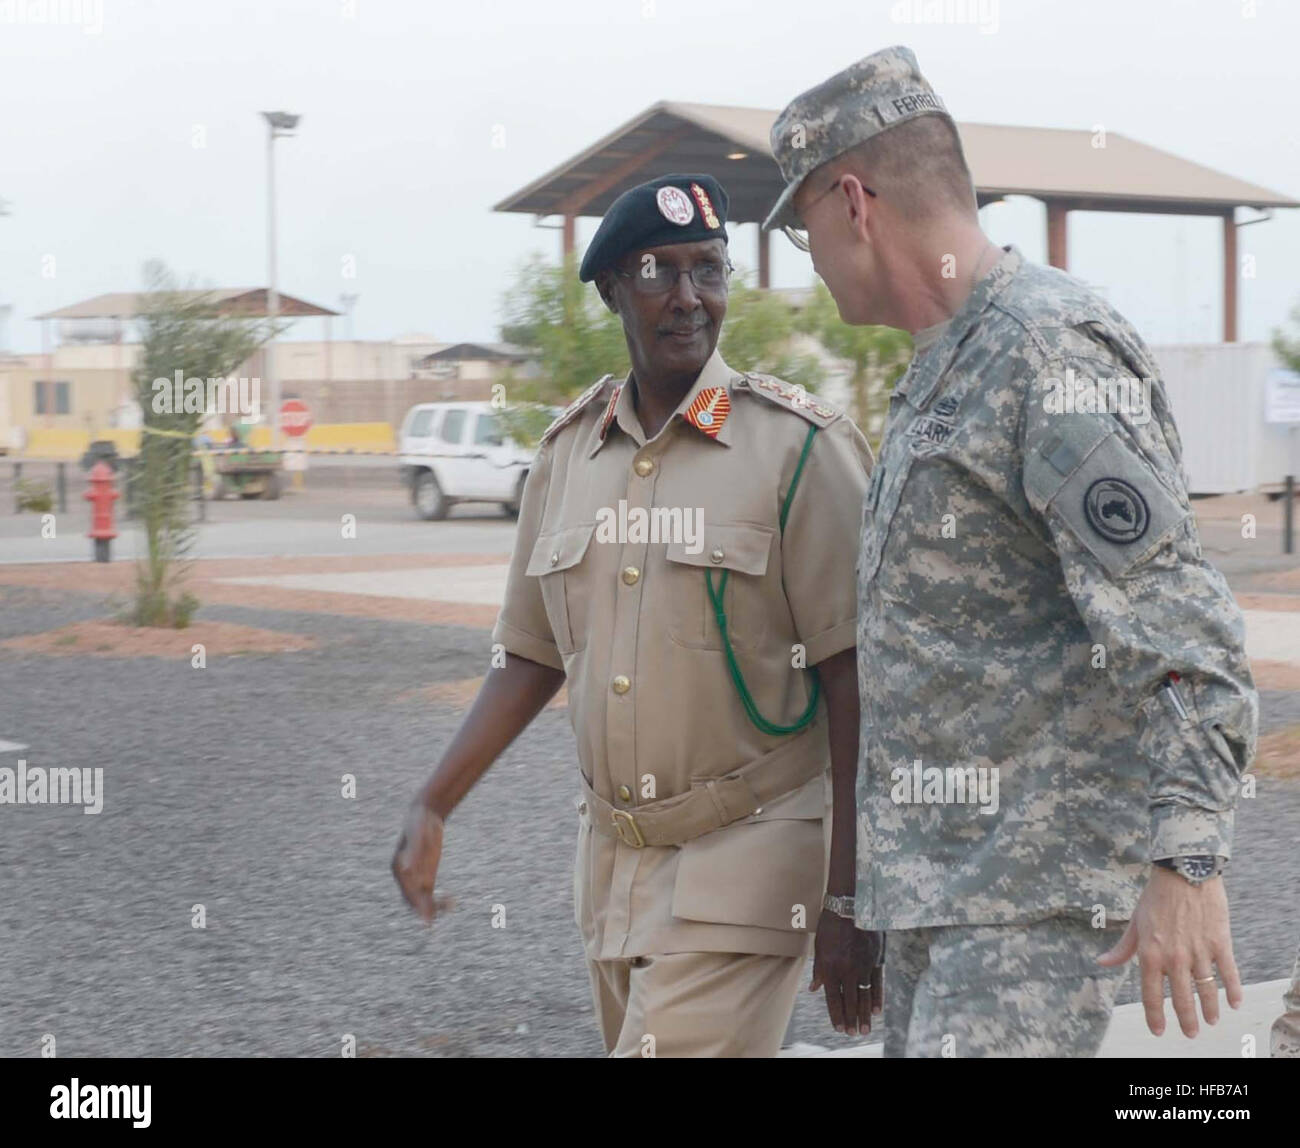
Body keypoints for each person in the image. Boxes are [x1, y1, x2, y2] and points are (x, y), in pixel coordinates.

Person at [764, 46, 1258, 1057]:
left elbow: (1181, 633)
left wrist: (1187, 863)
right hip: (940, 896)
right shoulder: (944, 365)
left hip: (1024, 904)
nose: (802, 250)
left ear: (852, 201)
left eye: (801, 217)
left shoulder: (1046, 352)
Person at [392, 173, 880, 1056]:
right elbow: (530, 655)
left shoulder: (797, 450)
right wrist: (434, 802)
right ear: (615, 287)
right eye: (660, 273)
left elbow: (857, 682)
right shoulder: (568, 456)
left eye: (710, 270)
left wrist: (850, 899)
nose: (690, 298)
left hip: (752, 863)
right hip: (612, 872)